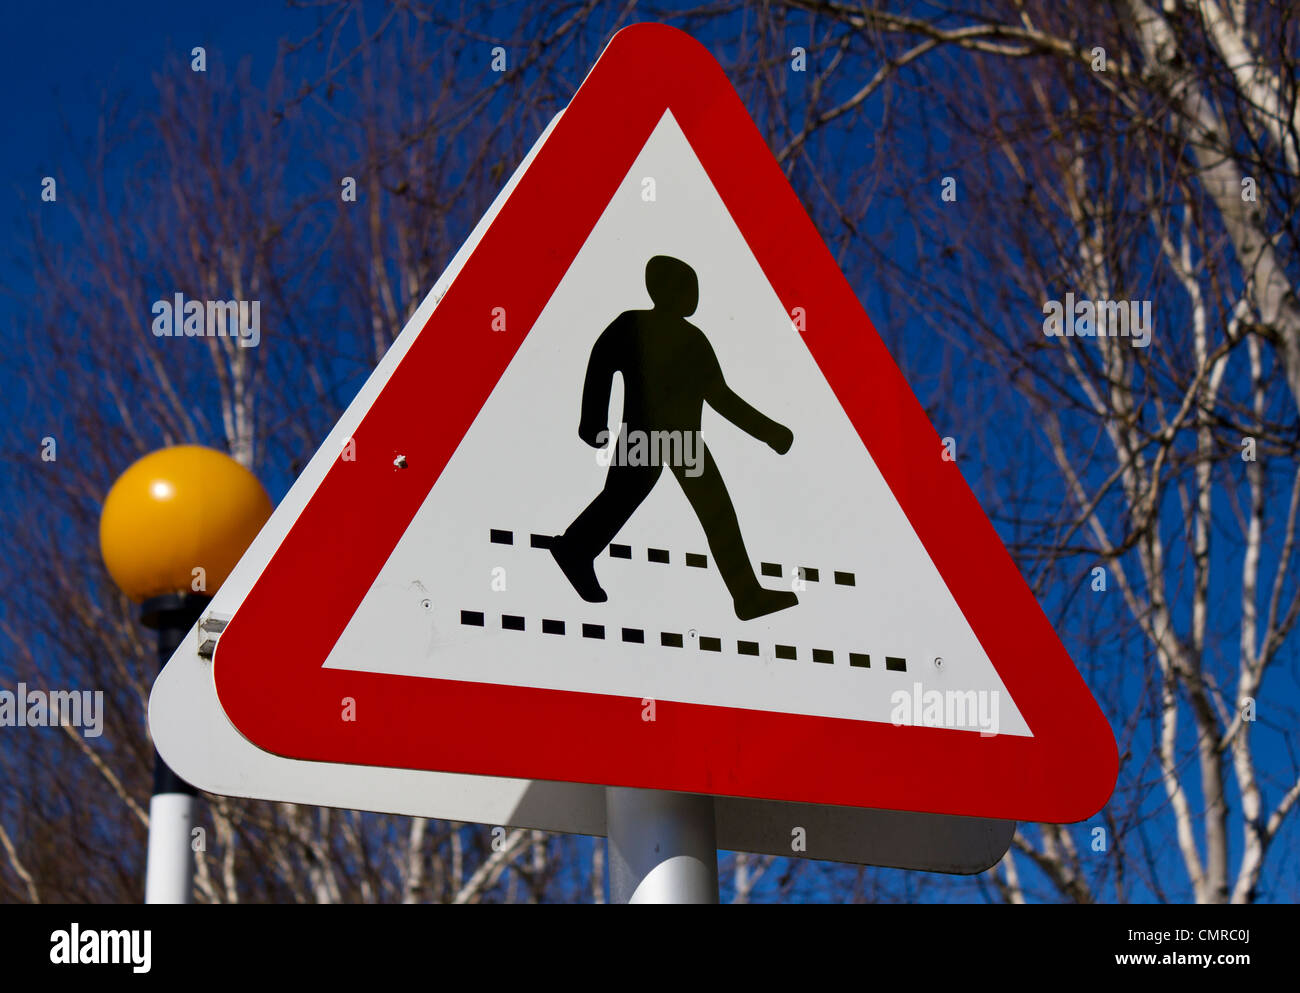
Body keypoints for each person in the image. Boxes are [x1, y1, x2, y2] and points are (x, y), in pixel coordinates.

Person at [549, 255, 799, 621]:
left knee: (718, 514)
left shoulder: (694, 339)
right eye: (686, 287)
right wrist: (593, 422)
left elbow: (720, 397)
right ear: (663, 289)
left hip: (685, 441)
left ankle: (746, 595)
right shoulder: (632, 324)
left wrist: (770, 433)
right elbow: (601, 363)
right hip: (644, 434)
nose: (693, 296)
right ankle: (575, 549)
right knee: (620, 499)